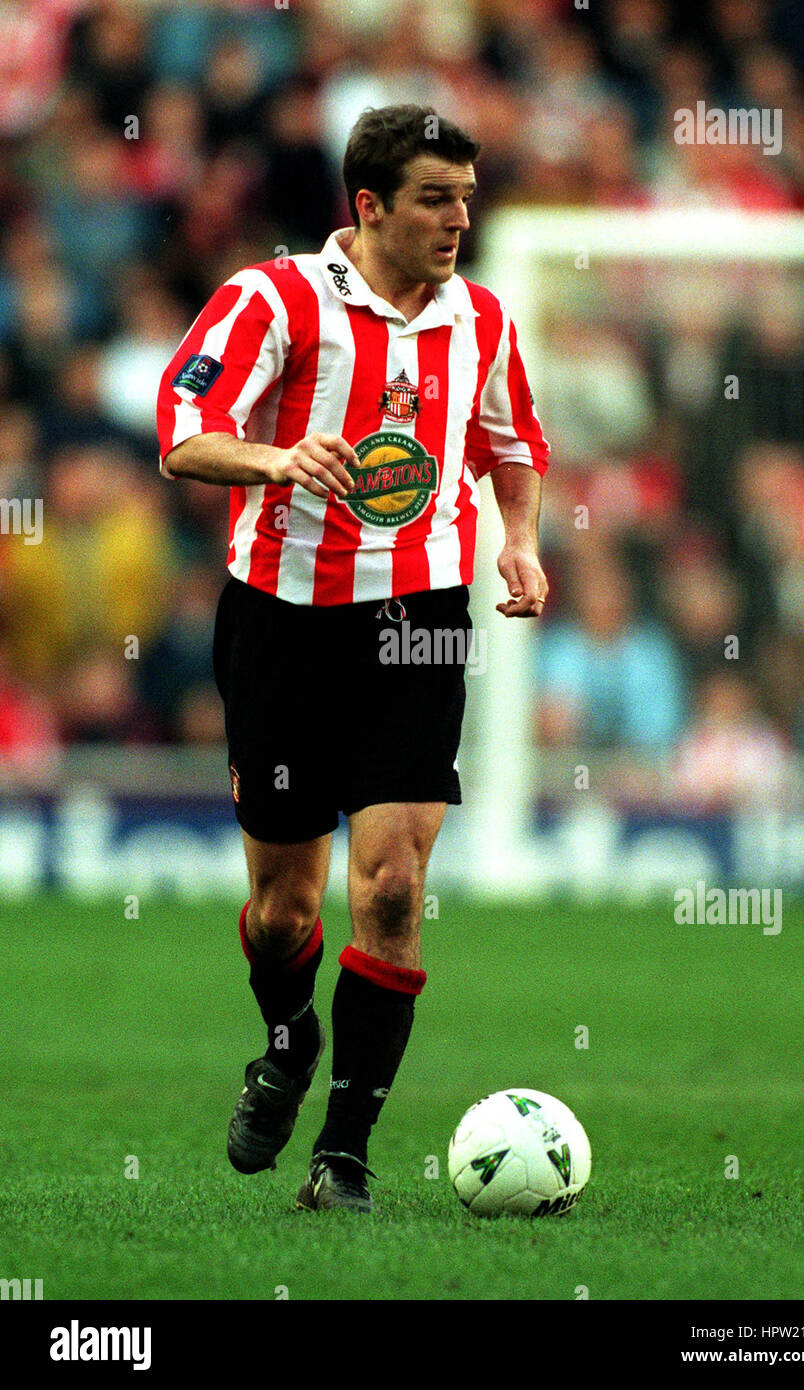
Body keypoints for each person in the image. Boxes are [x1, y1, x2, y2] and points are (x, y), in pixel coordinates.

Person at [156, 105, 549, 1213]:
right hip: (283, 621)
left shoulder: (480, 319)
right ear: (367, 205)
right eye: (435, 196)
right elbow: (183, 435)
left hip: (416, 619)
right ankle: (286, 1040)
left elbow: (512, 444)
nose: (458, 219)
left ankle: (344, 1155)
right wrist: (278, 457)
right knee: (286, 909)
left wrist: (516, 538)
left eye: (467, 196)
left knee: (393, 883)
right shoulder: (269, 298)